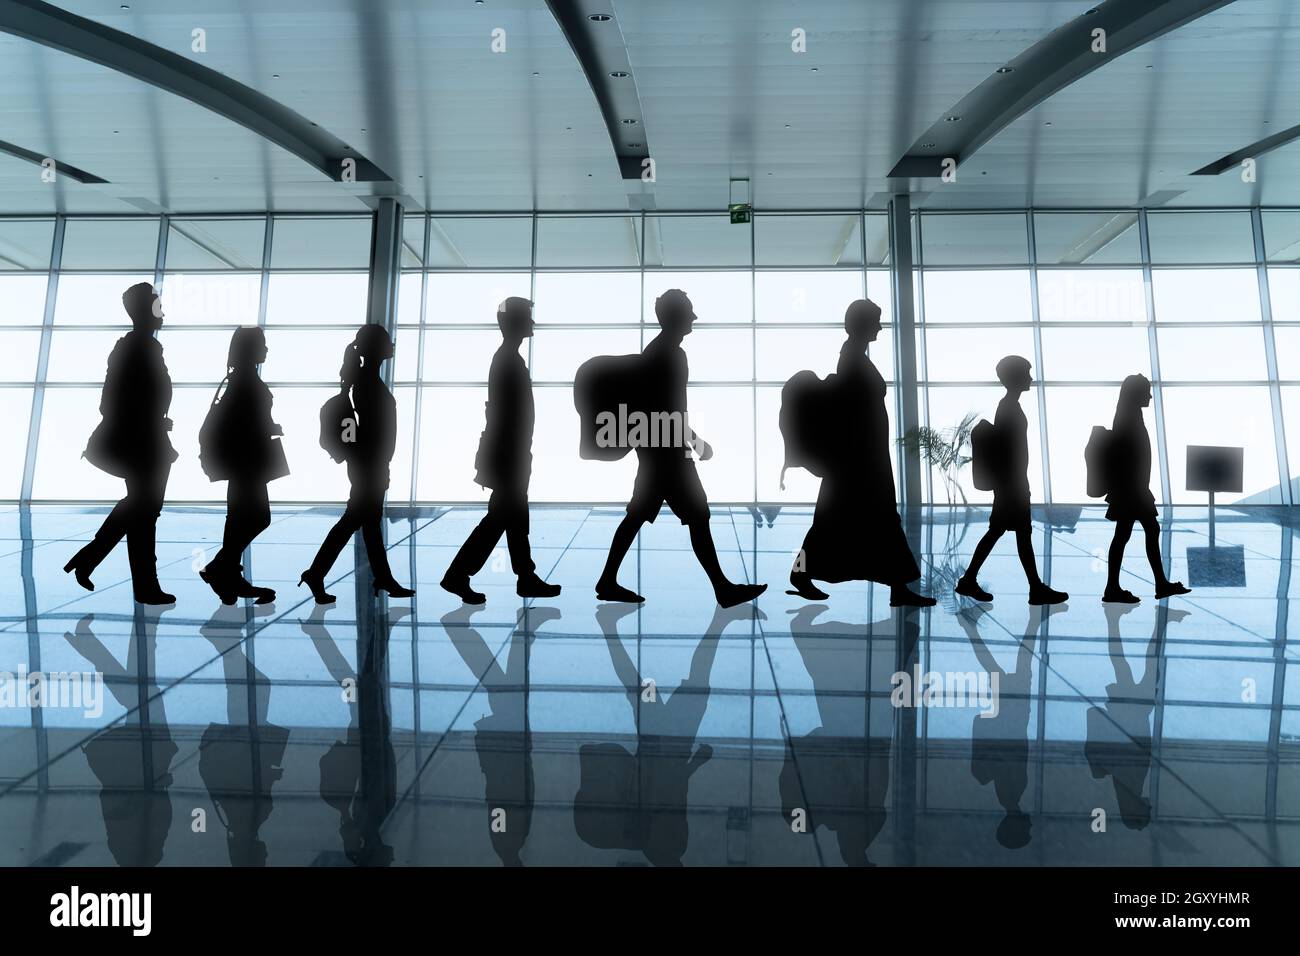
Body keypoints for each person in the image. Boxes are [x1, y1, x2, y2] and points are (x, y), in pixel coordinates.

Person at [594, 289, 766, 609]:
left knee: (640, 515)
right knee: (696, 514)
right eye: (689, 311)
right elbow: (669, 408)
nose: (694, 318)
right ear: (675, 316)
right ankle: (723, 589)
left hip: (658, 447)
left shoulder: (659, 352)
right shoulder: (669, 355)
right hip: (668, 452)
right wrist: (696, 442)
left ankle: (608, 580)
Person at [788, 299, 934, 607]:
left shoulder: (854, 356)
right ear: (862, 324)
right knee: (841, 522)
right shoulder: (852, 358)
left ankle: (898, 588)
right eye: (876, 321)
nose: (880, 327)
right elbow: (851, 409)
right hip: (858, 460)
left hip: (863, 457)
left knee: (854, 522)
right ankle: (801, 573)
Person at [440, 297, 560, 604]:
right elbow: (505, 414)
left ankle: (524, 576)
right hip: (511, 454)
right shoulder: (508, 361)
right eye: (527, 318)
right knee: (501, 518)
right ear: (514, 322)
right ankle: (459, 574)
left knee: (513, 517)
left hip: (513, 452)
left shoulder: (508, 359)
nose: (532, 324)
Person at [64, 282, 178, 605]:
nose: (163, 312)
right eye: (157, 306)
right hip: (142, 443)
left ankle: (101, 563)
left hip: (148, 439)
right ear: (143, 311)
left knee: (143, 510)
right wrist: (148, 420)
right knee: (143, 510)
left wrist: (155, 419)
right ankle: (138, 582)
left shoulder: (142, 349)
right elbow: (113, 401)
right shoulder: (136, 350)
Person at [299, 324, 413, 603]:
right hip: (368, 465)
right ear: (375, 348)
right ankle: (318, 573)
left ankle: (379, 577)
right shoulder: (364, 383)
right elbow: (355, 427)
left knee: (366, 524)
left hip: (370, 463)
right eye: (387, 341)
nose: (392, 345)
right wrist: (365, 458)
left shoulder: (366, 380)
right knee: (354, 522)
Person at [956, 356, 1067, 605]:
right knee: (1010, 533)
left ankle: (974, 580)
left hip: (1012, 483)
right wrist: (1017, 484)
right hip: (1012, 485)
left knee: (1008, 533)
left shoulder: (1008, 406)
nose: (1030, 377)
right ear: (1015, 377)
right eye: (1027, 373)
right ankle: (1031, 588)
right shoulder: (1009, 408)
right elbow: (1010, 451)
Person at [199, 328, 283, 604]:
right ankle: (220, 568)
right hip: (247, 460)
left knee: (239, 517)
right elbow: (246, 422)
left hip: (243, 460)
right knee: (257, 517)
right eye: (263, 344)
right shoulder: (245, 382)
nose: (268, 350)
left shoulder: (239, 380)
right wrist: (269, 427)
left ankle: (226, 573)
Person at [1102, 374, 1190, 604]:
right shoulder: (1129, 419)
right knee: (1143, 531)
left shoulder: (1128, 416)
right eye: (1146, 391)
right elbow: (1131, 457)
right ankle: (1154, 584)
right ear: (1136, 393)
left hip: (1133, 489)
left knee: (1130, 534)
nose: (1150, 395)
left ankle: (1123, 586)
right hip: (1133, 490)